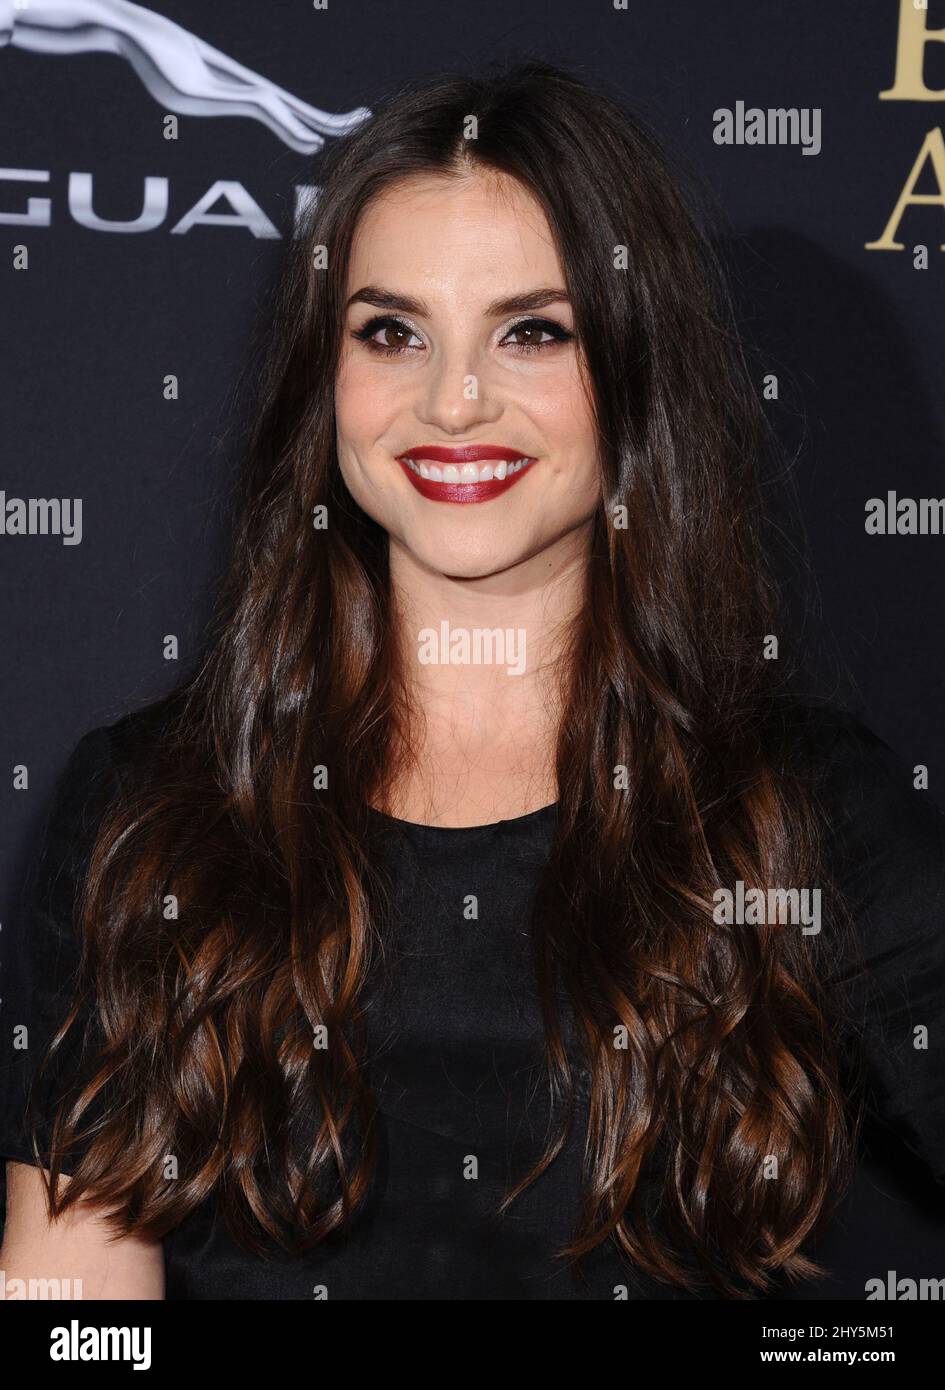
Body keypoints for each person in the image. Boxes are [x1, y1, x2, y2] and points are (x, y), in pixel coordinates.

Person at [2, 60, 943, 1301]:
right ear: (323, 380)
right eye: (392, 332)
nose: (454, 401)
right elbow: (72, 1306)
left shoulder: (795, 811)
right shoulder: (153, 806)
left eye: (531, 331)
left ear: (632, 374)